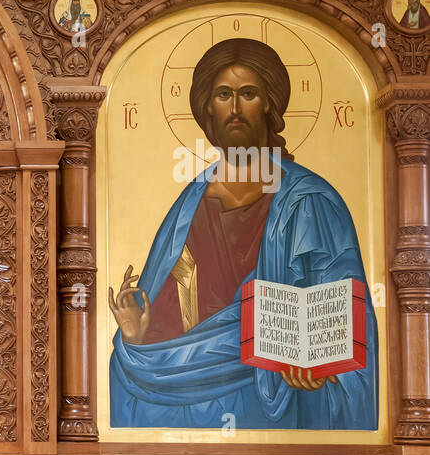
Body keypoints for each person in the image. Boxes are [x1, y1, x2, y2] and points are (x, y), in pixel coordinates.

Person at [108, 38, 377, 430]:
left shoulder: (310, 200)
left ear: (268, 103)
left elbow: (342, 306)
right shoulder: (190, 204)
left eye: (248, 94)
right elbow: (169, 321)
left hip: (281, 393)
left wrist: (317, 360)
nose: (235, 108)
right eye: (223, 95)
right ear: (207, 108)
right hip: (194, 398)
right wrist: (136, 335)